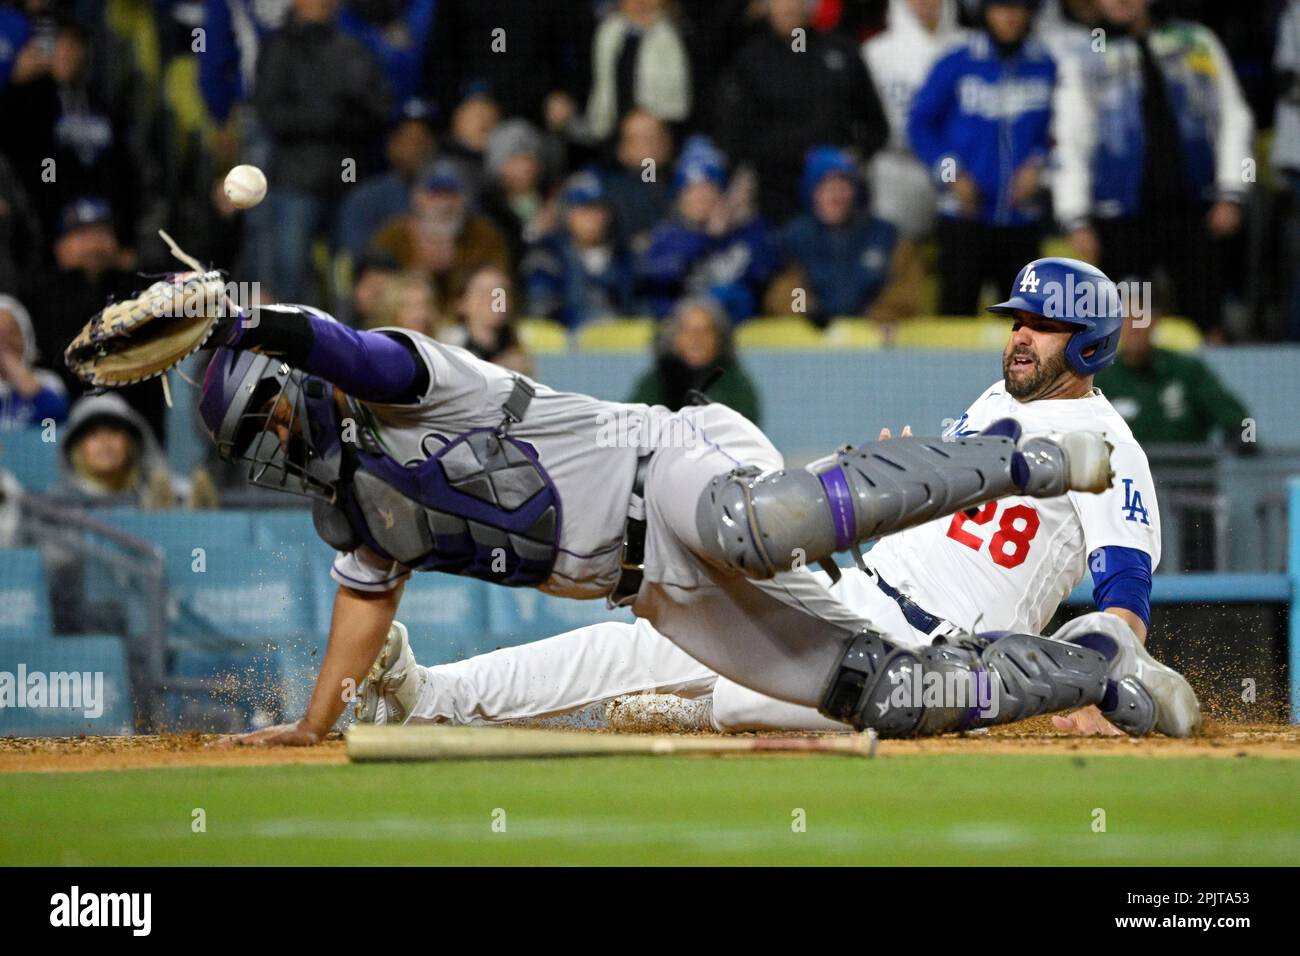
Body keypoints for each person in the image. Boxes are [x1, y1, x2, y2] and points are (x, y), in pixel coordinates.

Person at [174, 246, 1151, 747]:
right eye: (1016, 317)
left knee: (780, 572)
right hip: (698, 573)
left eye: (1042, 324)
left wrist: (236, 312)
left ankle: (701, 709)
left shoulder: (403, 377)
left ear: (1093, 344)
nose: (1019, 333)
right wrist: (315, 723)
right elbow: (363, 590)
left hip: (674, 470)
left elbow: (1122, 591)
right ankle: (428, 697)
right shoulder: (355, 495)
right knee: (628, 646)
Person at [1053, 0, 1254, 340]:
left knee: (1206, 323)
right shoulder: (1083, 55)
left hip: (1195, 213)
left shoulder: (1196, 41)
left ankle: (1206, 388)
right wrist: (1075, 217)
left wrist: (1234, 191)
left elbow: (1235, 117)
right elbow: (1069, 141)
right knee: (1132, 328)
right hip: (1122, 220)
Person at [907, 0, 1058, 315]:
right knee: (954, 321)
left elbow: (1060, 131)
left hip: (1022, 219)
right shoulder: (956, 62)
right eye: (1000, 7)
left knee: (1028, 326)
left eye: (1017, 8)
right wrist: (952, 175)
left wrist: (1040, 166)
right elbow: (920, 125)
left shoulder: (1046, 65)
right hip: (964, 217)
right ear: (984, 12)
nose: (1010, 16)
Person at [253, 0, 391, 301]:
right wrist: (329, 115)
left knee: (348, 277)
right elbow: (271, 115)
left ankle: (346, 345)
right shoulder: (279, 48)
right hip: (295, 180)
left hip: (348, 182)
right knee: (289, 281)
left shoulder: (353, 47)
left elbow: (379, 110)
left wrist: (336, 117)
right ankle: (293, 345)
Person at [713, 0, 888, 223]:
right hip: (776, 194)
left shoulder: (841, 51)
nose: (789, 6)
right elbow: (734, 133)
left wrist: (855, 155)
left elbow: (875, 124)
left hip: (838, 189)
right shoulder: (750, 61)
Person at [637, 145, 780, 322]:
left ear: (722, 193)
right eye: (692, 190)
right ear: (680, 196)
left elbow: (766, 273)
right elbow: (658, 278)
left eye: (708, 189)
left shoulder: (748, 233)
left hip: (742, 333)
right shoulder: (666, 235)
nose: (701, 198)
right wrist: (706, 238)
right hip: (681, 332)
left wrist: (749, 221)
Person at [862, 0, 966, 241]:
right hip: (898, 165)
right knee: (898, 249)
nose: (923, 3)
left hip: (955, 166)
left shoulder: (968, 46)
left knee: (958, 247)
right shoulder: (876, 52)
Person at [767, 146, 899, 326]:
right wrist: (808, 311)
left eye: (842, 186)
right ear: (812, 194)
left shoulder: (884, 235)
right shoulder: (796, 237)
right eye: (825, 187)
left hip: (872, 341)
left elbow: (903, 294)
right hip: (814, 341)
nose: (835, 195)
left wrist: (873, 321)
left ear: (855, 191)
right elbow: (786, 288)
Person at [1096, 303, 1254, 452]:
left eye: (1139, 318)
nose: (1133, 327)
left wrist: (1246, 438)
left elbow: (1240, 417)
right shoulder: (1099, 378)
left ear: (1155, 322)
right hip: (1125, 477)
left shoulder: (1188, 371)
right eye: (1124, 319)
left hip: (1186, 476)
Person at [369, 160, 511, 307]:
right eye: (434, 194)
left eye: (451, 195)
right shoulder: (392, 236)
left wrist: (458, 270)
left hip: (466, 325)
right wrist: (418, 269)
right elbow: (370, 294)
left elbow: (501, 296)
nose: (444, 204)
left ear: (465, 200)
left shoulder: (485, 236)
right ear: (417, 198)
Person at [51, 393, 215, 510]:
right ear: (76, 447)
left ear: (132, 443)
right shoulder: (57, 506)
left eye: (114, 432)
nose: (105, 443)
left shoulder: (163, 492)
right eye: (93, 435)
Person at [522, 171, 635, 329]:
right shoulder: (546, 255)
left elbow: (641, 306)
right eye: (583, 209)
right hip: (564, 347)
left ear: (609, 214)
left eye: (597, 209)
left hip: (623, 347)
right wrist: (591, 320)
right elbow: (541, 306)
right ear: (567, 214)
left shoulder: (626, 256)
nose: (591, 218)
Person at [627, 296, 760, 424]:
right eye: (687, 330)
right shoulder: (656, 382)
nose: (696, 339)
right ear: (674, 338)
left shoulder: (736, 385)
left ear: (719, 338)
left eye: (705, 331)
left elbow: (743, 431)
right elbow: (632, 425)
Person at [579, 0, 692, 145]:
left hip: (661, 135)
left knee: (647, 165)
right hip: (610, 132)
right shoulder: (606, 33)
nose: (640, 3)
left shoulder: (679, 34)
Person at [600, 109, 675, 253]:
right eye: (638, 140)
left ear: (668, 142)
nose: (648, 147)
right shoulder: (605, 191)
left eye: (654, 138)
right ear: (621, 150)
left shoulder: (687, 185)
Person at [438, 264, 530, 374]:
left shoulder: (524, 341)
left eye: (501, 293)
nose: (495, 301)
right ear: (461, 303)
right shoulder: (447, 345)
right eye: (483, 293)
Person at [0, 294, 67, 431]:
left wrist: (27, 384)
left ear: (26, 336)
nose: (4, 343)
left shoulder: (48, 382)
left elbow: (56, 416)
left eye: (11, 332)